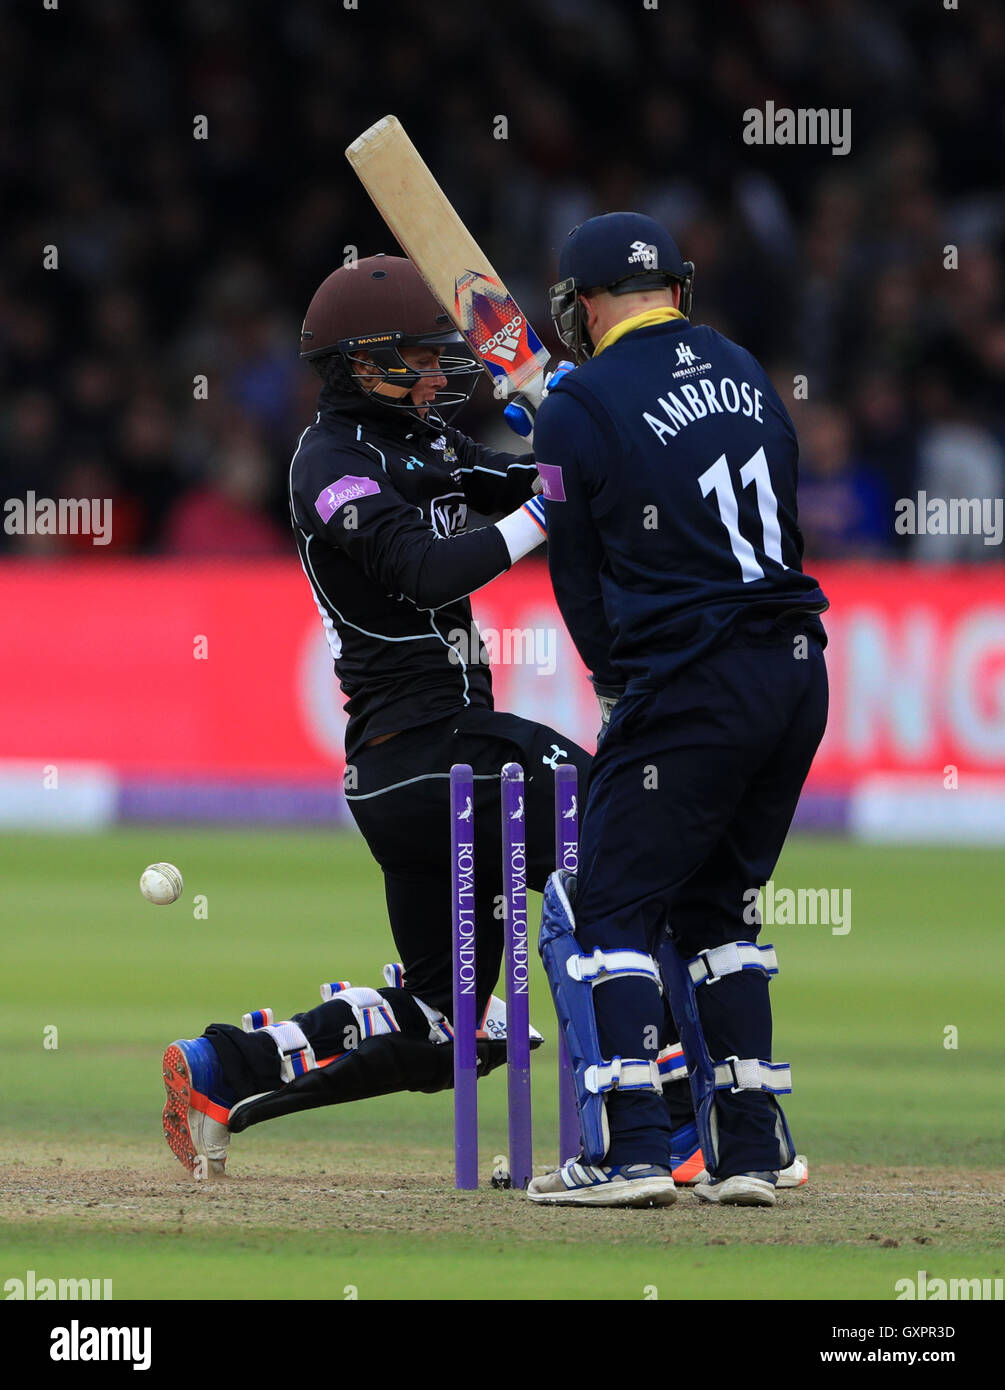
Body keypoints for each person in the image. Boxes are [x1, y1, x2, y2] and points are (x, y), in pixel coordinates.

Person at [161, 254, 595, 1179]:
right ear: (363, 364)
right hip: (424, 757)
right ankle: (655, 1110)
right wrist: (554, 504)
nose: (440, 373)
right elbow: (429, 570)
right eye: (419, 357)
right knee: (618, 824)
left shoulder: (428, 441)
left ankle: (222, 1072)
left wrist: (566, 434)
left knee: (452, 1029)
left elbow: (524, 487)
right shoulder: (328, 464)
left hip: (435, 769)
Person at [526, 213, 828, 1208]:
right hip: (795, 671)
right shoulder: (746, 367)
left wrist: (620, 685)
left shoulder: (578, 404)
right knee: (717, 908)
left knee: (605, 907)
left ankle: (631, 1152)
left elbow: (576, 580)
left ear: (585, 305)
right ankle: (751, 1148)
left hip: (693, 680)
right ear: (676, 290)